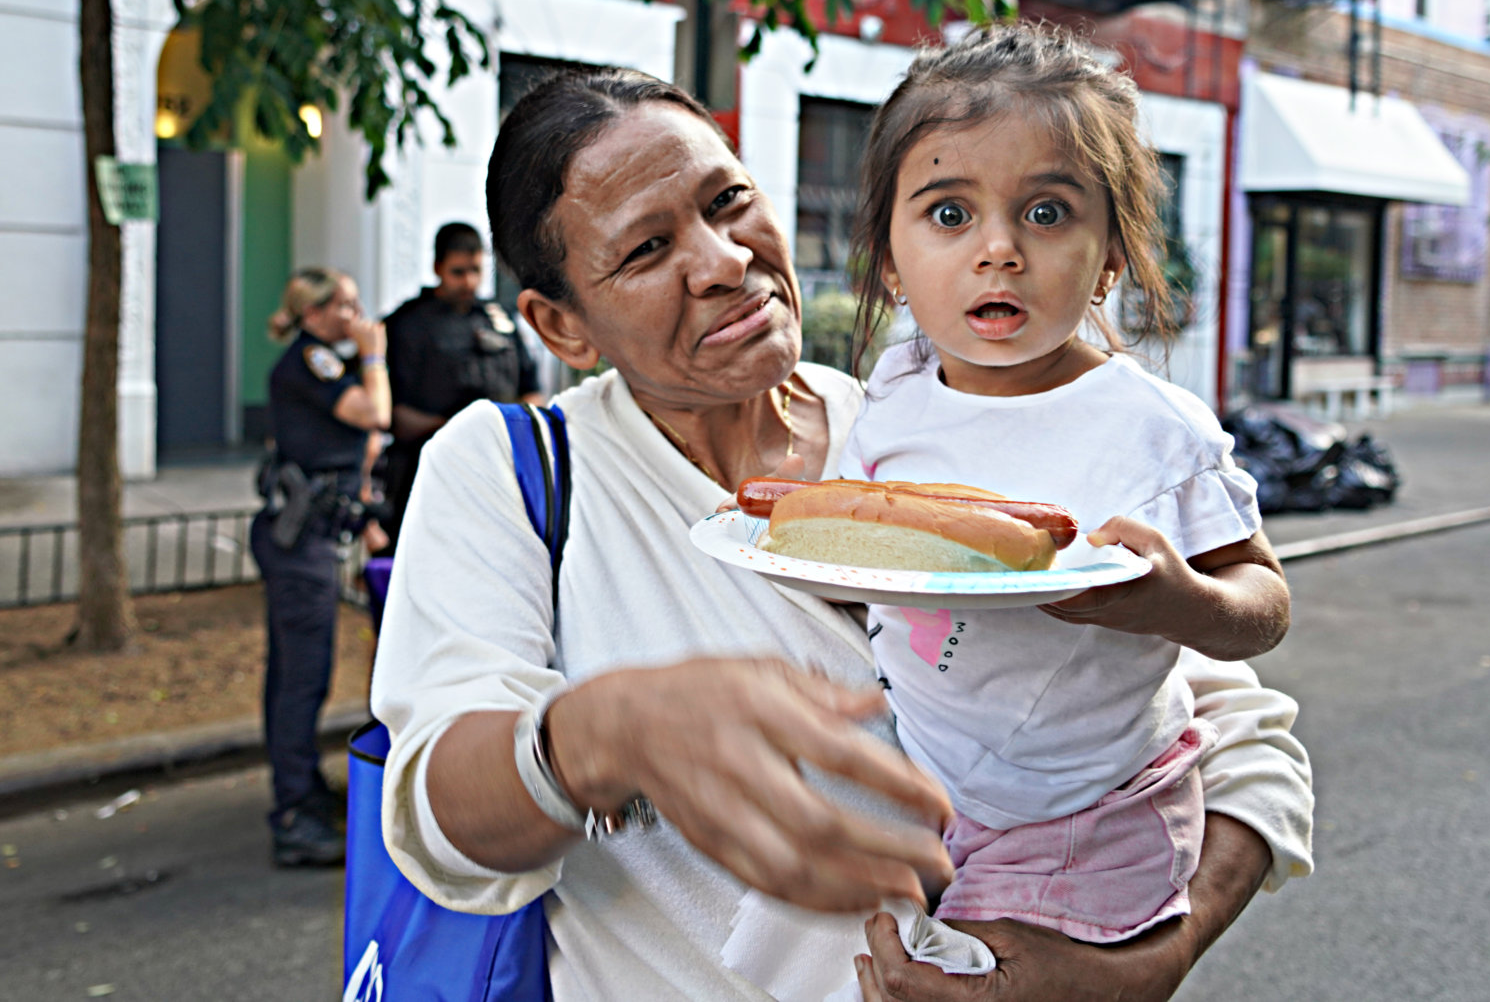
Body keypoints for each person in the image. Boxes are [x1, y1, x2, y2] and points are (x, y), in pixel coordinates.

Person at [369, 68, 1313, 1001]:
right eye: (648, 249)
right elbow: (437, 825)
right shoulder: (512, 469)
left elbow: (1234, 729)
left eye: (728, 200)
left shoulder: (917, 425)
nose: (725, 260)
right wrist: (602, 736)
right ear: (561, 326)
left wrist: (1142, 965)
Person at [831, 22, 1290, 961]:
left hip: (1088, 812)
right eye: (949, 215)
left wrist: (1179, 602)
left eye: (1046, 213)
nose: (998, 250)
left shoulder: (1152, 428)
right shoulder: (896, 392)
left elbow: (1265, 603)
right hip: (924, 784)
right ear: (888, 259)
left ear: (1111, 255)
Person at [254, 268, 390, 867]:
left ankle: (303, 788)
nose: (356, 315)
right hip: (297, 541)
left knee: (297, 671)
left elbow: (348, 450)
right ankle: (294, 815)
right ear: (313, 314)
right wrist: (374, 356)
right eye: (344, 305)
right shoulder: (311, 362)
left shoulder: (322, 361)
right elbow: (374, 414)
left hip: (315, 534)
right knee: (301, 676)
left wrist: (365, 519)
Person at [380, 221, 544, 546]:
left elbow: (532, 390)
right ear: (437, 267)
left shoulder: (498, 319)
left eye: (475, 271)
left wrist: (514, 427)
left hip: (499, 470)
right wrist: (463, 429)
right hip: (428, 471)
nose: (468, 282)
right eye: (458, 272)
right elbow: (395, 416)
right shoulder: (408, 324)